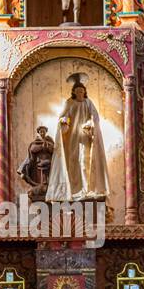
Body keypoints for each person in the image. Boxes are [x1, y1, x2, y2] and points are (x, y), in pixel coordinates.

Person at [46, 74, 109, 202]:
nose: (80, 93)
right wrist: (64, 121)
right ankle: (74, 190)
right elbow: (63, 116)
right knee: (73, 162)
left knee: (85, 162)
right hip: (73, 137)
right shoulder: (69, 103)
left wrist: (91, 124)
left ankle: (86, 189)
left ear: (85, 92)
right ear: (74, 92)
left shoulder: (88, 102)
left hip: (85, 137)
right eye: (78, 91)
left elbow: (95, 117)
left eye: (82, 91)